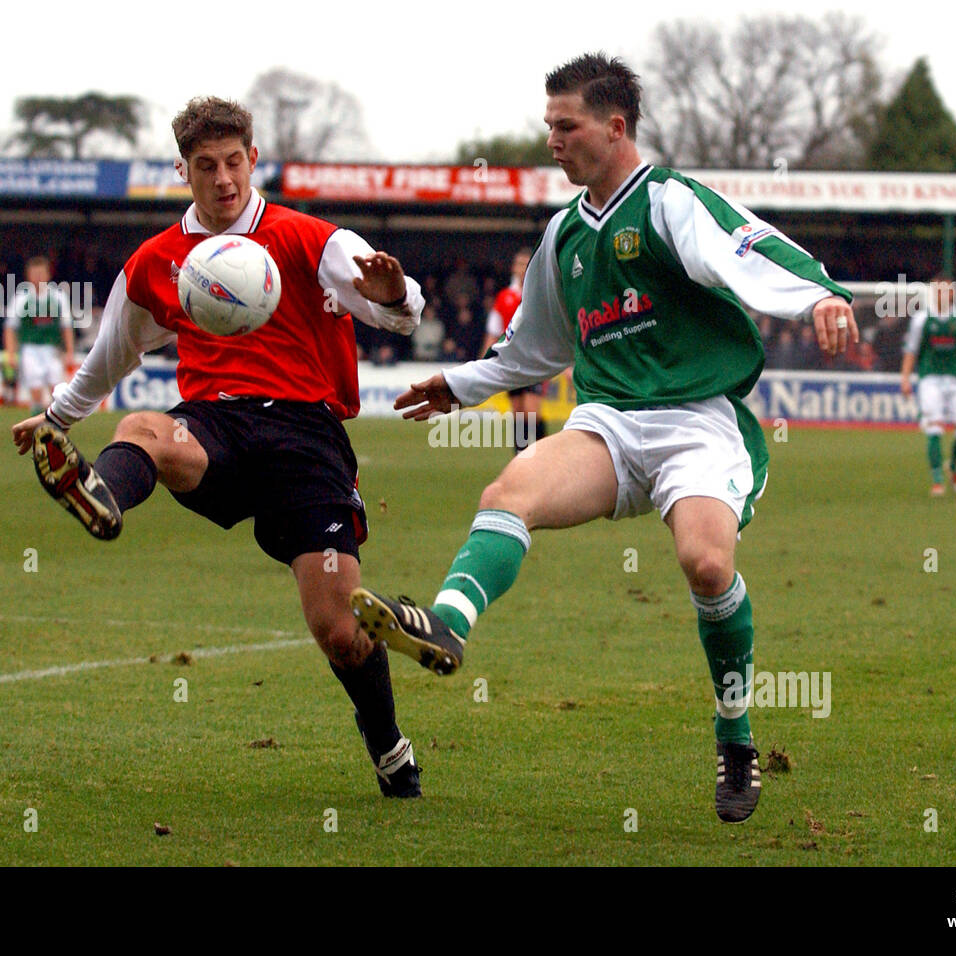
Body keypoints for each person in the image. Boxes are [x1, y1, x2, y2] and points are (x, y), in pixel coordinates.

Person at [347, 53, 857, 824]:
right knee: (507, 490)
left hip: (695, 423)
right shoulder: (561, 237)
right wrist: (459, 385)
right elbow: (531, 352)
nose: (551, 139)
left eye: (566, 125)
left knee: (706, 563)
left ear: (615, 127)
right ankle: (447, 625)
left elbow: (748, 245)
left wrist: (820, 294)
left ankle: (735, 734)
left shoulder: (669, 201)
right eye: (547, 125)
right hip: (610, 424)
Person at [9, 96, 428, 798]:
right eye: (206, 166)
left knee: (339, 630)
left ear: (253, 160)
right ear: (185, 170)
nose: (224, 178)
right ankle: (101, 493)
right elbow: (112, 354)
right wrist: (57, 417)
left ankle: (388, 748)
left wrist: (394, 296)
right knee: (141, 427)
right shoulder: (156, 261)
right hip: (216, 428)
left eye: (234, 162)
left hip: (305, 438)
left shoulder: (307, 238)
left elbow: (401, 312)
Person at [899, 276, 956, 496]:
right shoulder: (922, 319)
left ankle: (952, 465)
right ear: (933, 293)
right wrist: (905, 379)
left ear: (953, 294)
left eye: (946, 290)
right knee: (934, 427)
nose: (941, 294)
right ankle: (937, 479)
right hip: (930, 380)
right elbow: (911, 351)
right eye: (937, 290)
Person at [482, 248, 547, 453]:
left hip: (536, 360)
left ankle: (539, 453)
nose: (522, 269)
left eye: (526, 265)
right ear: (514, 268)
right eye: (519, 264)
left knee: (531, 410)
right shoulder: (504, 297)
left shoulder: (540, 293)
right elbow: (493, 330)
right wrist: (484, 358)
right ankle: (520, 455)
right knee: (518, 411)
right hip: (512, 360)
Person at [4, 257, 75, 415]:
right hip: (30, 348)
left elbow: (66, 326)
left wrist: (69, 351)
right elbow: (10, 327)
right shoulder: (21, 299)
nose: (38, 277)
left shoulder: (58, 297)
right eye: (34, 274)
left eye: (41, 274)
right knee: (35, 387)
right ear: (28, 275)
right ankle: (37, 422)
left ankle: (55, 422)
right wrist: (11, 354)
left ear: (48, 275)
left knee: (57, 388)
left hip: (53, 349)